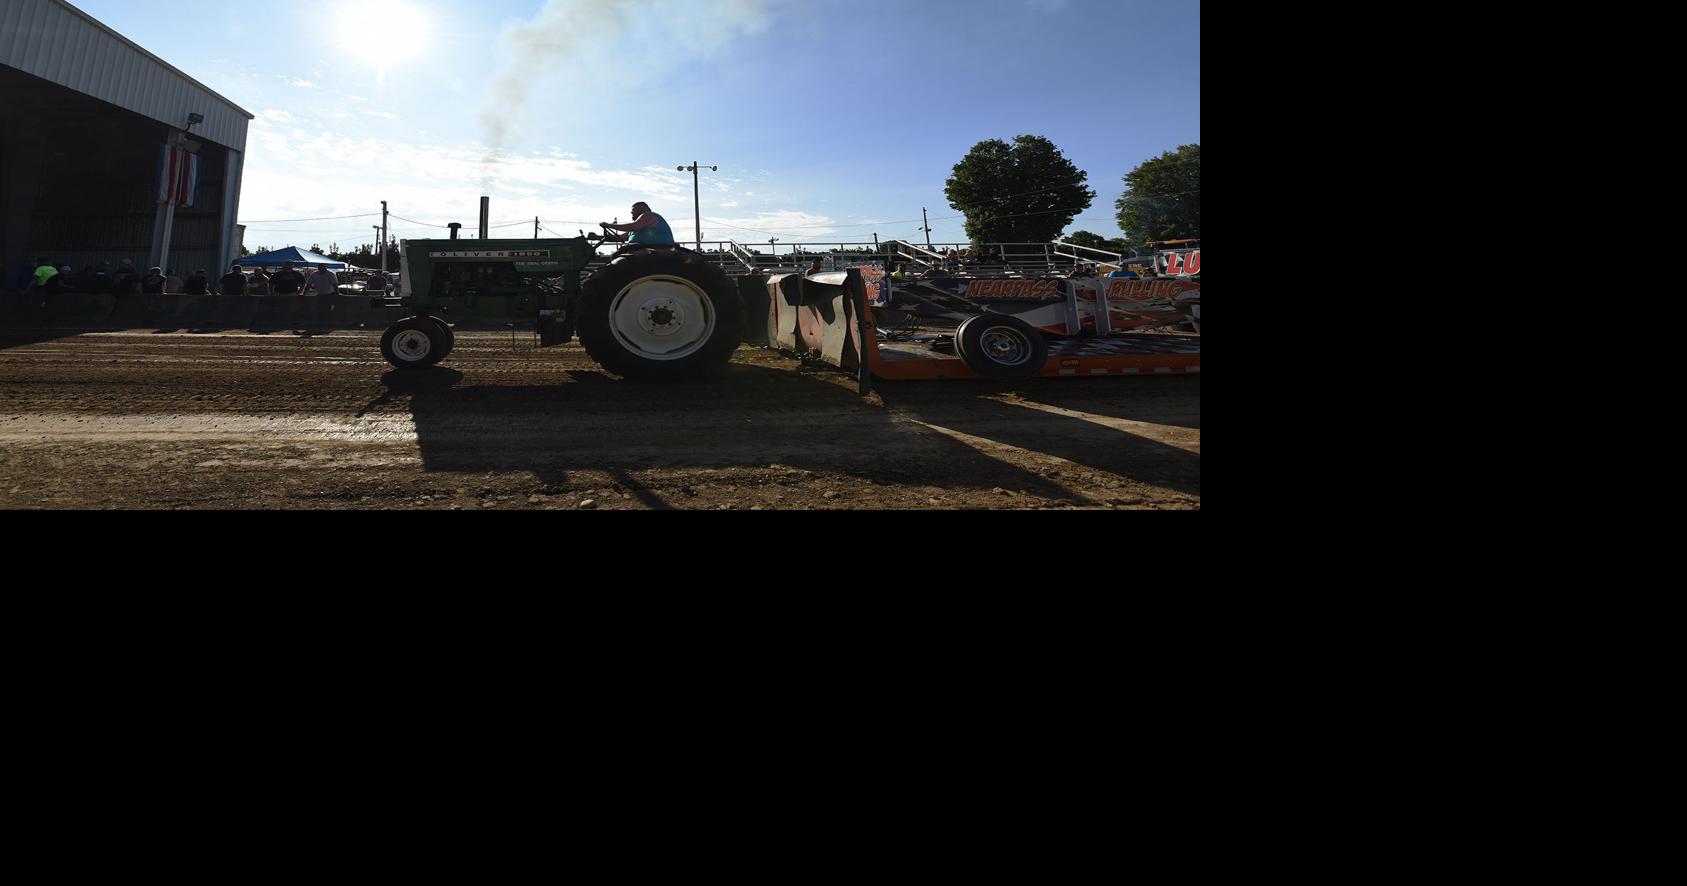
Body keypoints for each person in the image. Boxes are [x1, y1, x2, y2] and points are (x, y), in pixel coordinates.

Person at [600, 202, 677, 246]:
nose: (631, 212)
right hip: (640, 249)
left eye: (633, 210)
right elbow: (620, 237)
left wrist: (609, 225)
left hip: (656, 250)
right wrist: (596, 237)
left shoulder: (649, 215)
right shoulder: (636, 229)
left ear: (641, 209)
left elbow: (633, 226)